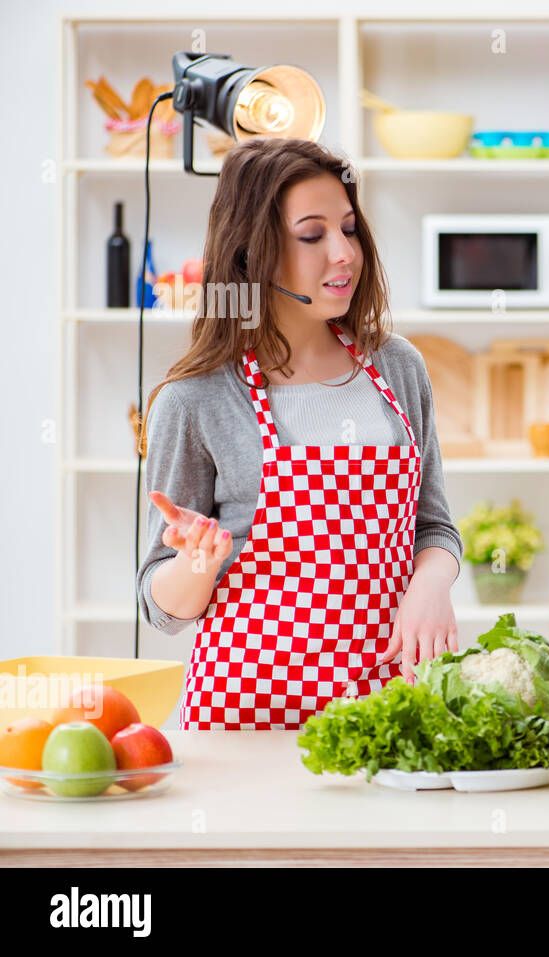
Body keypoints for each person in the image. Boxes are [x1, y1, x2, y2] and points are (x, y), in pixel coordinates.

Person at [136, 138, 463, 730]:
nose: (343, 253)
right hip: (245, 720)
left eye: (349, 229)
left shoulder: (397, 366)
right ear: (250, 254)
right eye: (312, 236)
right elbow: (161, 610)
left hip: (391, 709)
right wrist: (198, 565)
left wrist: (433, 584)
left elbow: (433, 526)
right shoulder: (197, 399)